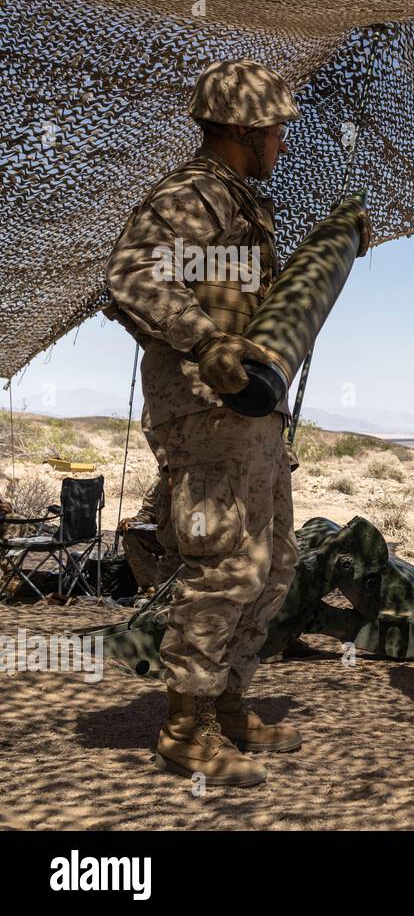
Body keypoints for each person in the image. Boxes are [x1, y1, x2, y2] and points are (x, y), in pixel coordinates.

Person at [104, 58, 337, 786]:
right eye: (276, 131)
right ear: (244, 129)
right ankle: (186, 728)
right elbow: (133, 274)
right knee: (227, 566)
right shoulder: (195, 193)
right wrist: (206, 342)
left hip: (248, 413)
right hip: (206, 411)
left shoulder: (239, 203)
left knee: (275, 564)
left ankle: (227, 702)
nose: (283, 144)